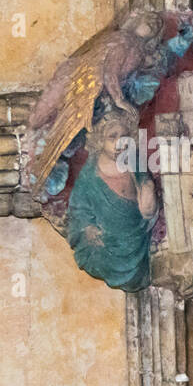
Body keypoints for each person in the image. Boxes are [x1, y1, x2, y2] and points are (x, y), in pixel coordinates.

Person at [66, 110, 158, 291]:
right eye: (112, 137)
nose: (119, 143)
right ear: (100, 141)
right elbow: (78, 208)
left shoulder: (134, 161)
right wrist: (88, 228)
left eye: (124, 136)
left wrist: (147, 193)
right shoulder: (89, 175)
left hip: (137, 237)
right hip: (107, 245)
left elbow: (146, 192)